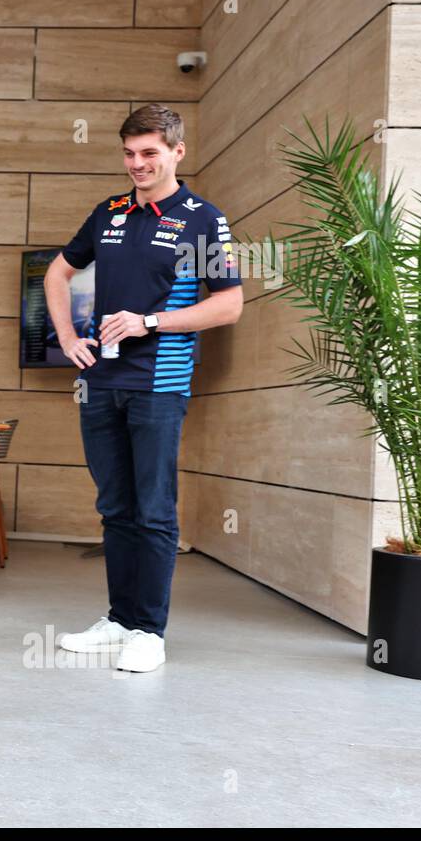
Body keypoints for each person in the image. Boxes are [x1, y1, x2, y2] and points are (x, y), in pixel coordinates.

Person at [45, 104, 243, 673]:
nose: (137, 163)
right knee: (115, 506)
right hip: (100, 382)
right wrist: (66, 338)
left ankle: (149, 632)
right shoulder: (107, 212)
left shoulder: (204, 218)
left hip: (159, 383)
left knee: (154, 508)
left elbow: (229, 304)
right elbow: (58, 273)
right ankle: (120, 618)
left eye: (149, 153)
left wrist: (148, 322)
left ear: (177, 152)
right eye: (129, 153)